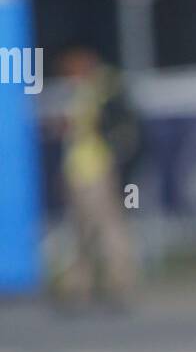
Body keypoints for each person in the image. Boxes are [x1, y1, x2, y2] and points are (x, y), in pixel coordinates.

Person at [52, 45, 141, 308]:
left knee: (104, 228)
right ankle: (82, 286)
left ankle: (114, 284)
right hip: (79, 170)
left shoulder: (103, 89)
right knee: (83, 230)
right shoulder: (83, 91)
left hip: (98, 169)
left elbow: (111, 128)